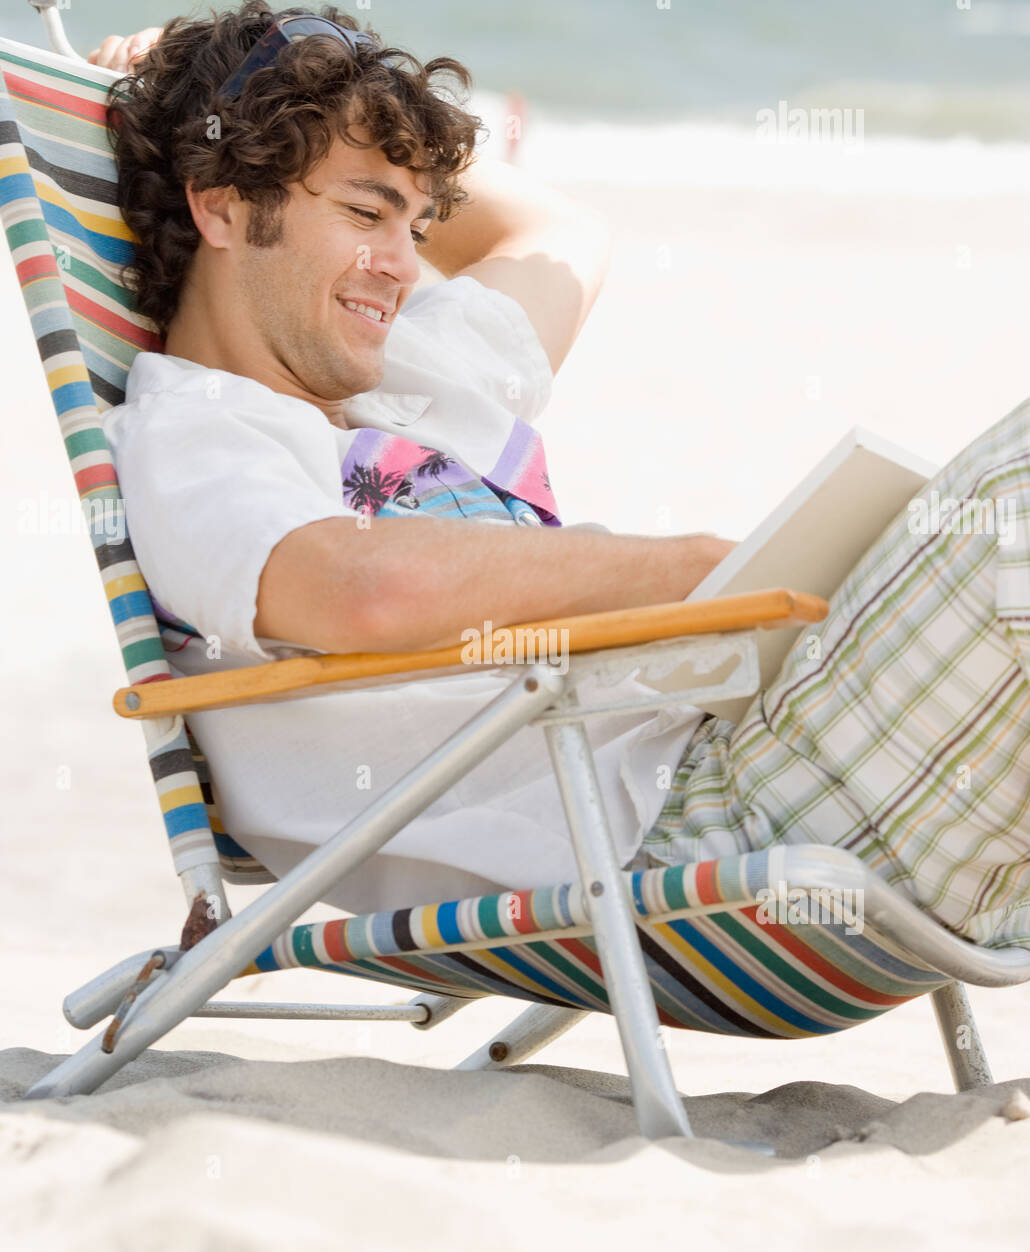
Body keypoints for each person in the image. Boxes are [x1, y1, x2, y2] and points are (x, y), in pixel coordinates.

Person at [99, 6, 1030, 952]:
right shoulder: (198, 431)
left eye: (419, 225)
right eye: (365, 211)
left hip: (750, 747)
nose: (404, 267)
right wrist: (701, 574)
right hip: (673, 826)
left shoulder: (414, 372)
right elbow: (355, 587)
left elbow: (559, 231)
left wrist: (271, 91)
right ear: (218, 204)